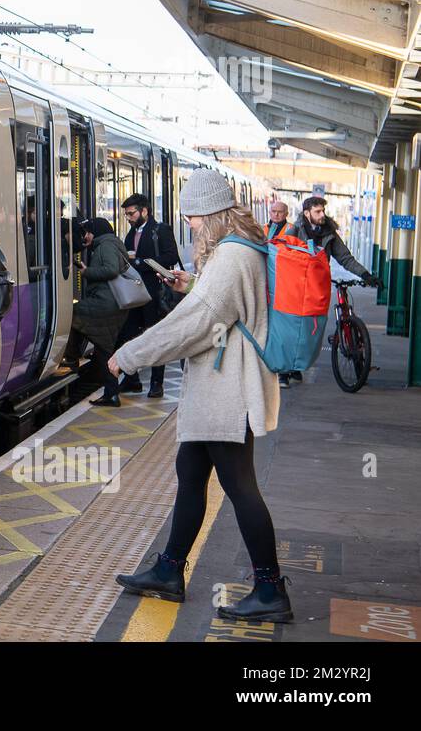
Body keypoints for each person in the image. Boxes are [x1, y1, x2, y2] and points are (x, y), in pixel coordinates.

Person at [111, 168, 290, 623]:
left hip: (227, 389)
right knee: (190, 472)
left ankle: (270, 589)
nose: (188, 224)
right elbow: (218, 304)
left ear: (210, 214)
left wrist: (130, 354)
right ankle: (169, 571)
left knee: (240, 487)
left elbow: (197, 324)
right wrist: (191, 285)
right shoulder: (239, 249)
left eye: (192, 217)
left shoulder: (231, 256)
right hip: (218, 386)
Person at [281, 196, 380, 387]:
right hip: (296, 286)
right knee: (292, 328)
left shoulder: (330, 233)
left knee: (310, 328)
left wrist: (366, 275)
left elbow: (345, 258)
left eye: (323, 211)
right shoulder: (295, 230)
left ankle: (297, 366)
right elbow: (284, 256)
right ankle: (284, 372)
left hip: (317, 286)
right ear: (307, 213)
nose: (322, 215)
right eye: (318, 212)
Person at [116, 193, 182, 399]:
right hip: (135, 294)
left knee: (156, 337)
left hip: (155, 293)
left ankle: (156, 383)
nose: (129, 218)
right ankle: (131, 379)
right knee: (129, 334)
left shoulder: (160, 230)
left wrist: (141, 262)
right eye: (126, 215)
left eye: (131, 213)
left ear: (144, 211)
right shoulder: (131, 232)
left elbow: (172, 256)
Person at [59, 218, 129, 406]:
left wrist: (87, 271)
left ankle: (71, 358)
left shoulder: (106, 245)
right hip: (112, 303)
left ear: (95, 232)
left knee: (73, 313)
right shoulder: (109, 243)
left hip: (106, 303)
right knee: (104, 350)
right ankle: (111, 393)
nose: (85, 237)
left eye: (87, 233)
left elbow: (111, 270)